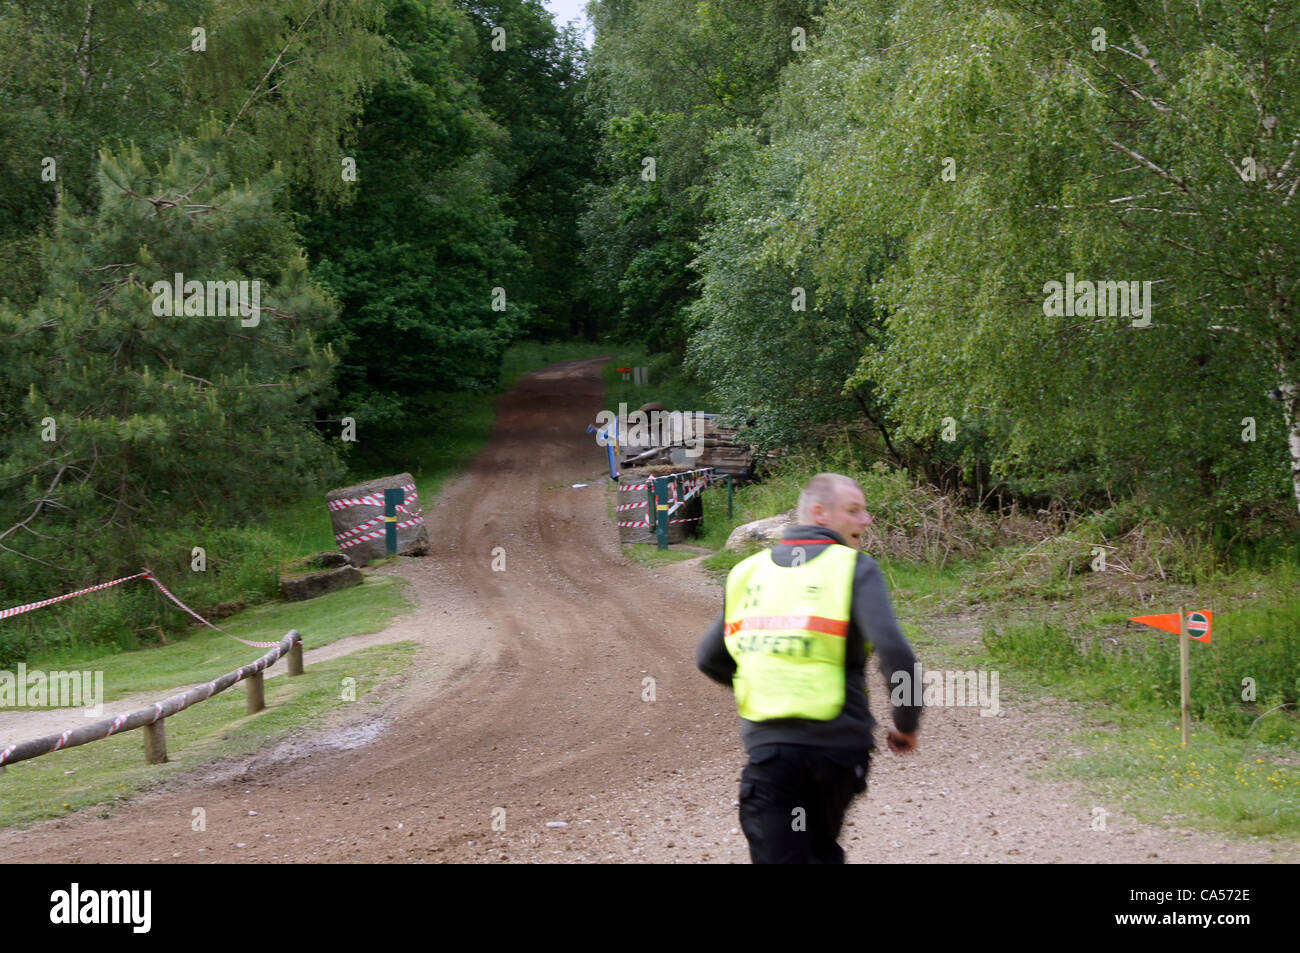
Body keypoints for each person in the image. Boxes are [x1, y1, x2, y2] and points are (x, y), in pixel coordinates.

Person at [695, 472, 922, 863]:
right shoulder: (856, 568)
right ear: (820, 513)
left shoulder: (747, 574)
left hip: (772, 753)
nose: (866, 520)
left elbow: (709, 658)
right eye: (854, 510)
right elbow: (896, 654)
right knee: (816, 846)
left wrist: (767, 682)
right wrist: (906, 724)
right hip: (839, 753)